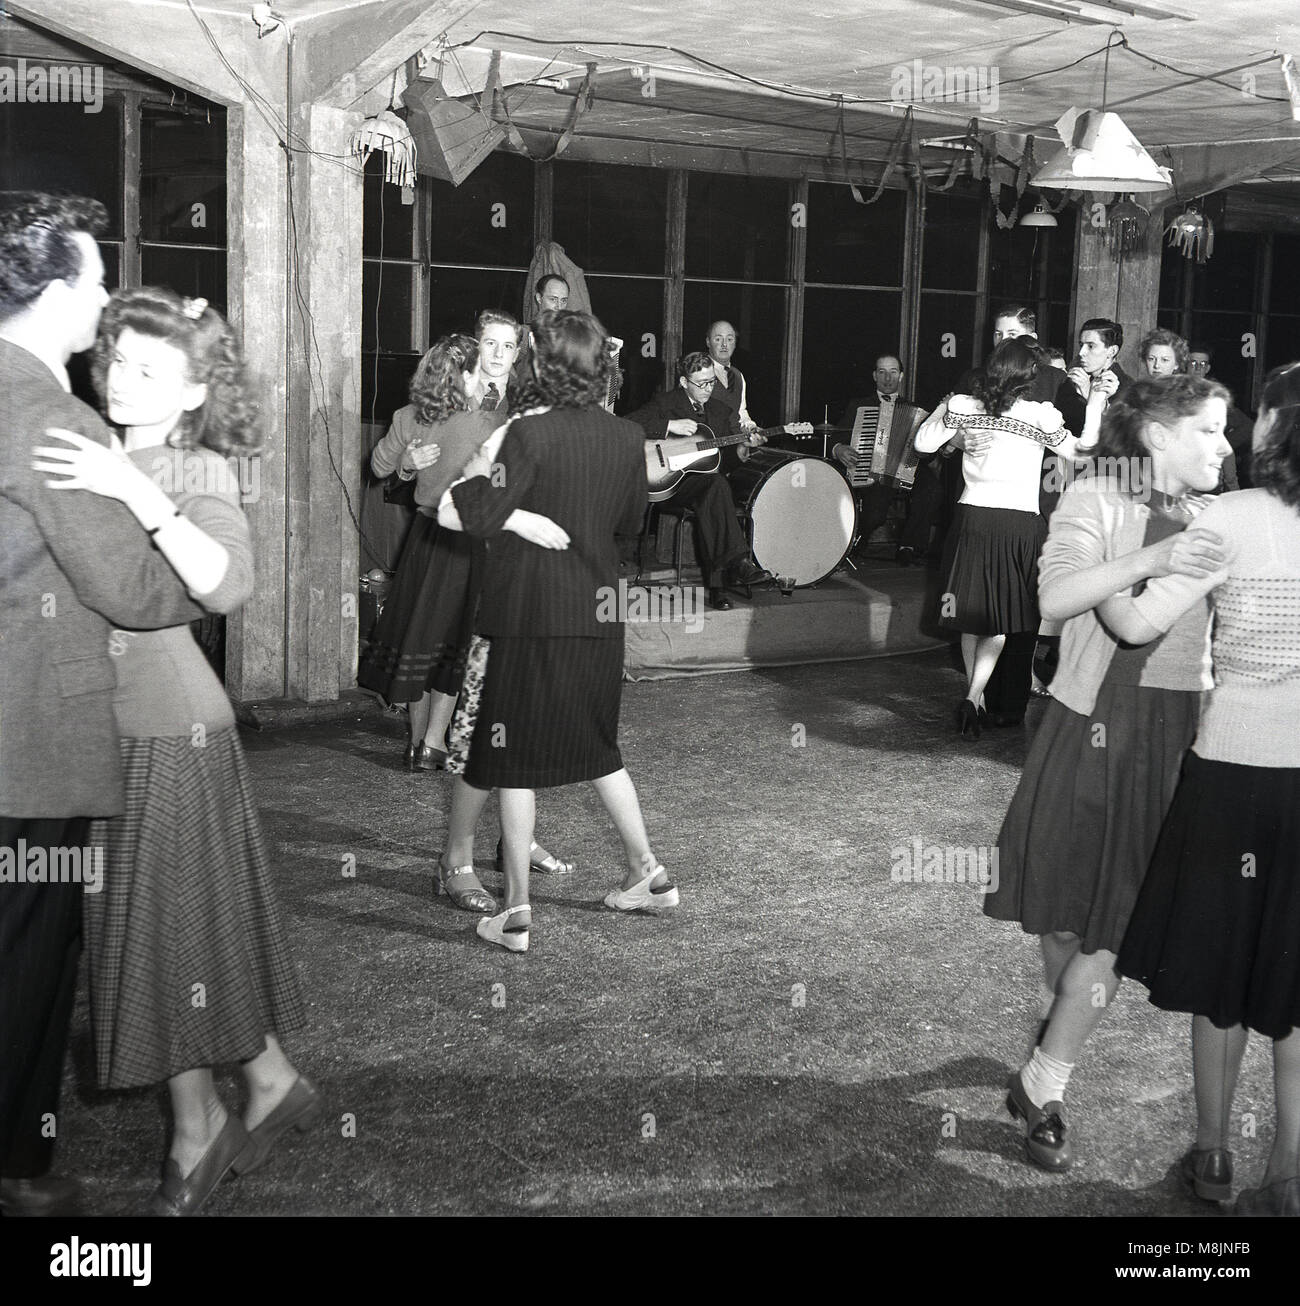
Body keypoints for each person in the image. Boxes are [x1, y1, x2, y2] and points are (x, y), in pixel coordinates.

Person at [32, 287, 314, 1217]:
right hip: (100, 731)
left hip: (171, 732)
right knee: (153, 939)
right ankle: (262, 1083)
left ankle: (205, 1125)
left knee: (165, 936)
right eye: (115, 359)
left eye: (152, 369)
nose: (121, 379)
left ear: (197, 390)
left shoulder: (193, 466)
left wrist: (137, 489)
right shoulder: (93, 444)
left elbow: (227, 585)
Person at [0, 193, 211, 1217]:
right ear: (52, 290)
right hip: (29, 732)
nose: (103, 300)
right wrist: (199, 581)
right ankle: (19, 1168)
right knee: (27, 956)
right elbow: (126, 587)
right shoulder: (50, 412)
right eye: (92, 279)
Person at [984, 375, 1232, 1173]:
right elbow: (1057, 593)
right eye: (1210, 431)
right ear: (1159, 435)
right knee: (1065, 915)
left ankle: (1047, 1079)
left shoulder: (1227, 515)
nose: (1227, 448)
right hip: (1087, 718)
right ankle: (1052, 1048)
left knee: (1118, 920)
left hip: (1176, 732)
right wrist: (1158, 554)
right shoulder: (1102, 490)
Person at [1103, 362, 1300, 1215]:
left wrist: (1109, 568)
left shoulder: (1232, 517)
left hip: (1230, 778)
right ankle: (1290, 1171)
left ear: (1277, 431)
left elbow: (1137, 623)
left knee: (1218, 974)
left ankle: (1214, 1156)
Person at [439, 309, 678, 952]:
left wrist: (511, 515)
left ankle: (516, 912)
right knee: (601, 748)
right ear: (599, 367)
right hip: (600, 610)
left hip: (529, 615)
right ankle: (646, 874)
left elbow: (455, 510)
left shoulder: (526, 432)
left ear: (541, 365)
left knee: (513, 757)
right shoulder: (627, 436)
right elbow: (629, 521)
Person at [357, 335, 573, 906]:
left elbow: (394, 471)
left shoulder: (478, 417)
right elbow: (393, 472)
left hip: (474, 548)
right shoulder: (475, 422)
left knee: (442, 657)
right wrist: (406, 463)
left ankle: (438, 759)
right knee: (448, 657)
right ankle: (443, 772)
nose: (489, 367)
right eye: (483, 359)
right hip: (457, 541)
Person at [914, 338, 1077, 737]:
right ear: (1028, 378)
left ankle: (977, 697)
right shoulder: (1041, 415)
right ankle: (973, 696)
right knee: (1001, 620)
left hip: (973, 518)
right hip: (1019, 523)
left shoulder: (965, 407)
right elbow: (1081, 454)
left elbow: (921, 443)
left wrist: (946, 409)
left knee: (973, 616)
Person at [627, 351, 773, 610]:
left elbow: (724, 461)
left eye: (711, 382)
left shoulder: (722, 411)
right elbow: (628, 423)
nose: (708, 389)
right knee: (715, 490)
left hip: (704, 484)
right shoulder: (665, 401)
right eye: (701, 383)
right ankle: (734, 568)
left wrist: (742, 450)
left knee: (715, 488)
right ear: (684, 382)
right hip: (668, 483)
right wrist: (669, 426)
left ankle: (722, 582)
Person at [832, 353, 935, 564]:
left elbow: (929, 450)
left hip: (907, 466)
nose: (887, 378)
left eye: (893, 372)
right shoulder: (858, 405)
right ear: (874, 376)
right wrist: (839, 448)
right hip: (873, 468)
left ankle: (909, 544)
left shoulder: (916, 410)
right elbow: (837, 435)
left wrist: (924, 451)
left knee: (932, 488)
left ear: (901, 376)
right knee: (875, 511)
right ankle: (853, 544)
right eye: (882, 372)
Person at [1188, 344, 1256, 487]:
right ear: (1184, 365)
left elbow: (1246, 426)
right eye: (1193, 363)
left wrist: (1215, 445)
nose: (1197, 368)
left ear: (1207, 369)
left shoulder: (1213, 393)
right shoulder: (1176, 390)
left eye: (1202, 364)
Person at [1068, 318, 1134, 446]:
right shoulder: (1076, 378)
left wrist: (1089, 396)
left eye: (1091, 346)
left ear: (1112, 351)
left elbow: (1121, 438)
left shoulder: (1127, 388)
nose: (1081, 353)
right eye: (1081, 345)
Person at [471, 307, 519, 412]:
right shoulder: (453, 391)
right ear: (476, 347)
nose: (498, 354)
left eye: (507, 346)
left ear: (515, 354)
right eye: (491, 343)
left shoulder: (525, 398)